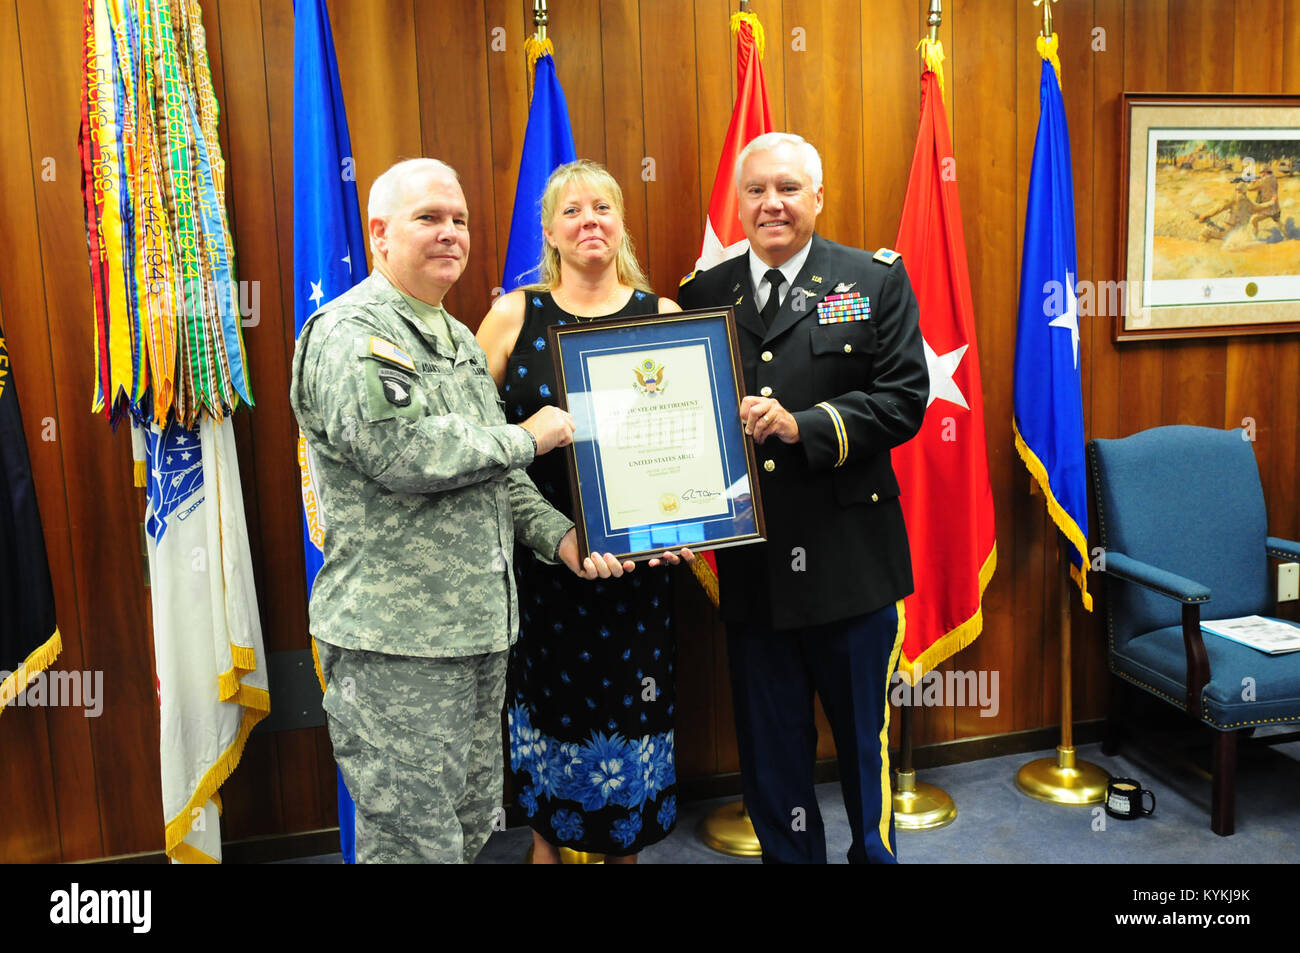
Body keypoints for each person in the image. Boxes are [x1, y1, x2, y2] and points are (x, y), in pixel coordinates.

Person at [290, 157, 636, 864]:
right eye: (429, 218)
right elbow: (406, 453)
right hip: (396, 647)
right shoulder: (353, 331)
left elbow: (499, 478)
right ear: (380, 233)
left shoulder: (450, 335)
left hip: (477, 633)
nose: (450, 233)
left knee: (472, 826)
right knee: (413, 843)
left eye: (459, 219)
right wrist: (526, 434)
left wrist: (562, 537)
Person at [678, 132, 929, 864]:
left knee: (860, 741)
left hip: (851, 562)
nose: (771, 204)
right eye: (755, 190)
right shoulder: (703, 294)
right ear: (738, 202)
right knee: (771, 749)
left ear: (818, 196)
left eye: (788, 188)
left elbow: (904, 401)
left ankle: (871, 857)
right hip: (754, 566)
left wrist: (807, 425)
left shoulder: (873, 280)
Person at [477, 159, 691, 864]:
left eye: (603, 207)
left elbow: (686, 445)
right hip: (544, 573)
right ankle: (543, 845)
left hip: (638, 573)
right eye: (572, 211)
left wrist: (687, 523)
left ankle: (623, 851)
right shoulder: (513, 316)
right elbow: (479, 447)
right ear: (550, 231)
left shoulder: (660, 316)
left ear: (621, 223)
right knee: (550, 745)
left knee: (628, 736)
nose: (589, 220)